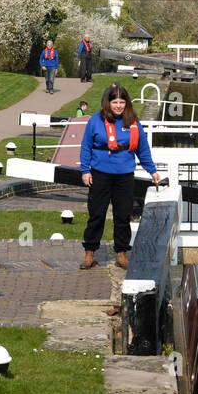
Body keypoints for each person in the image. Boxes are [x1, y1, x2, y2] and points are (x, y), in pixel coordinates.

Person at [79, 83, 160, 270]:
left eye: (121, 102)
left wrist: (152, 171)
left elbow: (142, 149)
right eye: (114, 102)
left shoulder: (133, 122)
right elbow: (86, 147)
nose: (118, 106)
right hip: (100, 174)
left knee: (123, 215)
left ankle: (122, 253)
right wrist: (85, 170)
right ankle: (90, 252)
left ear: (126, 103)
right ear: (108, 103)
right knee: (96, 214)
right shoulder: (95, 122)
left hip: (124, 175)